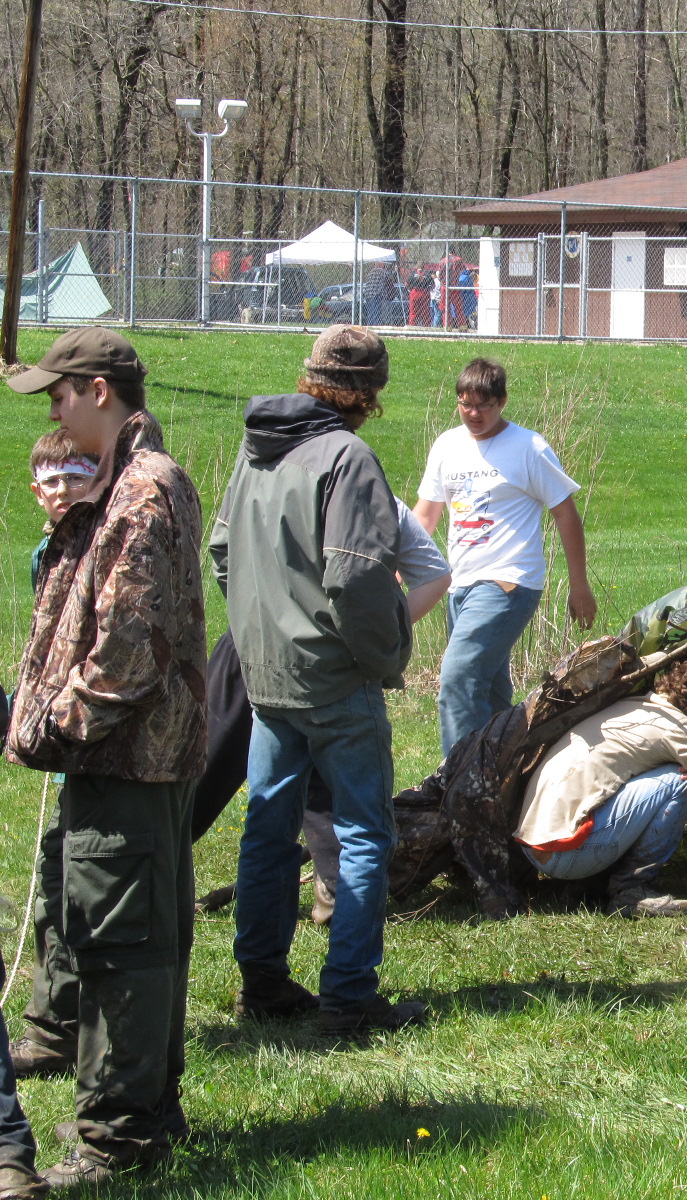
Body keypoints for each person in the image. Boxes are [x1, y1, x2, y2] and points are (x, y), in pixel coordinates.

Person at [5, 328, 207, 1188]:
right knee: (144, 939)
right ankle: (150, 1117)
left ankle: (118, 1140)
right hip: (132, 761)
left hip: (125, 758)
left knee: (118, 946)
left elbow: (128, 652)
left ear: (97, 391)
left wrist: (46, 725)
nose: (50, 409)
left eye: (56, 395)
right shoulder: (125, 485)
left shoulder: (142, 494)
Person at [210, 324, 422, 1035]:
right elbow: (358, 578)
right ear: (368, 395)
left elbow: (220, 551)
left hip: (265, 677)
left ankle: (263, 981)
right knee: (364, 833)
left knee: (268, 831)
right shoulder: (346, 457)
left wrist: (259, 625)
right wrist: (384, 657)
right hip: (334, 682)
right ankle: (350, 995)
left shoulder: (257, 450)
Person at [190, 496, 450, 927]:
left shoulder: (272, 478)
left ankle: (332, 892)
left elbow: (222, 549)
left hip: (265, 647)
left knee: (289, 773)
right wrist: (377, 638)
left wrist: (261, 615)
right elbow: (435, 575)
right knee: (219, 763)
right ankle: (332, 892)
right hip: (308, 659)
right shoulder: (372, 494)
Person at [414, 357, 597, 759]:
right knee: (493, 693)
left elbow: (565, 514)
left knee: (458, 680)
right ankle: (510, 778)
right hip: (460, 584)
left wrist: (579, 585)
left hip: (508, 583)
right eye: (465, 404)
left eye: (484, 405)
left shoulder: (529, 448)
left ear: (503, 402)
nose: (474, 413)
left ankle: (458, 784)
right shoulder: (447, 445)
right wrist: (397, 567)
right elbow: (426, 515)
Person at [514, 658, 687, 916]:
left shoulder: (630, 706)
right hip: (566, 854)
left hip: (534, 846)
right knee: (677, 781)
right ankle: (633, 889)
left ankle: (589, 883)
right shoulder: (677, 727)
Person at [26, 431, 98, 590]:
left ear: (98, 483)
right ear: (38, 493)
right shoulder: (43, 553)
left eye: (75, 478)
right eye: (50, 481)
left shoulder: (114, 541)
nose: (62, 491)